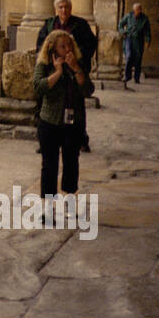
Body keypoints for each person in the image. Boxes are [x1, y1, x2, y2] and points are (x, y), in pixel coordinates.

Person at [33, 29, 94, 201]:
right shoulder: (44, 64)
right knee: (49, 165)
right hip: (49, 121)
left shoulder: (78, 63)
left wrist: (76, 69)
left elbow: (88, 90)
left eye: (70, 45)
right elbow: (38, 87)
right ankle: (47, 204)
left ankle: (69, 198)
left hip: (73, 122)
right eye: (63, 46)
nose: (68, 49)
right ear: (53, 49)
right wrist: (57, 72)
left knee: (71, 162)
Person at [35, 0, 97, 152]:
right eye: (61, 7)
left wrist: (75, 57)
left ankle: (81, 139)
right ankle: (45, 141)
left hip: (72, 68)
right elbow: (41, 45)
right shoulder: (49, 24)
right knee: (45, 104)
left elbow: (90, 44)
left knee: (76, 104)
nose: (64, 10)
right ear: (56, 9)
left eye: (67, 7)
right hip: (53, 69)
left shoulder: (80, 25)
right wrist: (49, 60)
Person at [119, 2, 151, 86]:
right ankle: (127, 76)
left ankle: (136, 78)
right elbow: (120, 24)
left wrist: (147, 41)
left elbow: (147, 31)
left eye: (140, 9)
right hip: (129, 39)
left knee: (138, 58)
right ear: (134, 10)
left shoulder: (144, 18)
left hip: (139, 41)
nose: (139, 11)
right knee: (129, 56)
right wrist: (123, 32)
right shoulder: (129, 16)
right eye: (137, 10)